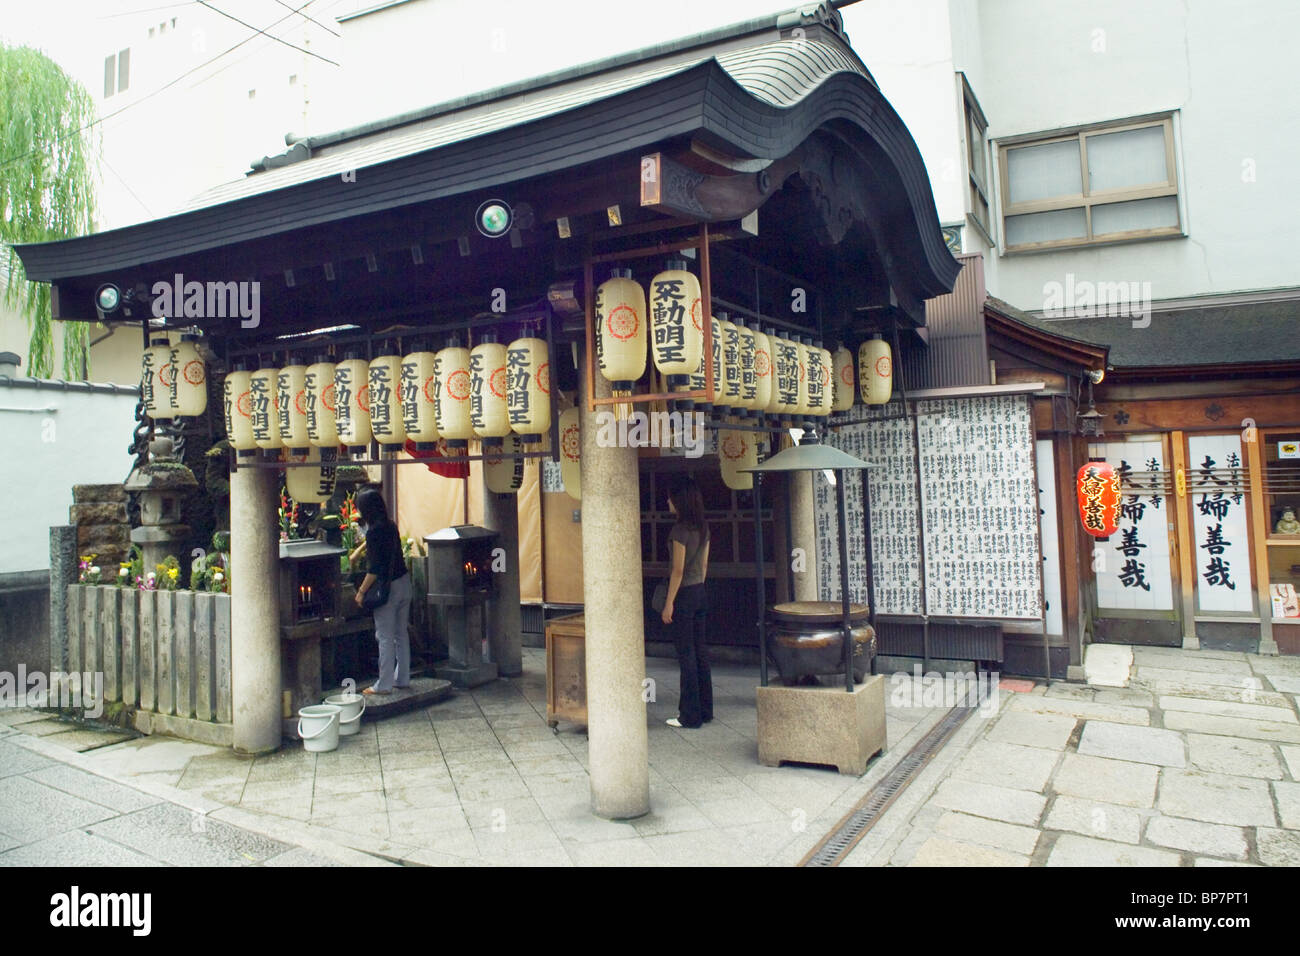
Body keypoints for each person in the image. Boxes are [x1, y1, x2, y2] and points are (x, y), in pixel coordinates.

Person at [661, 475, 712, 728]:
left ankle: (690, 715)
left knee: (686, 655)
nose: (667, 501)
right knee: (701, 652)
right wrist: (698, 588)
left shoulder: (679, 531)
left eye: (670, 497)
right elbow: (703, 565)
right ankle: (705, 710)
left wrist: (669, 602)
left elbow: (677, 571)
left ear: (679, 500)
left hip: (683, 595)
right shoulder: (703, 528)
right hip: (700, 591)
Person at [353, 486, 411, 695]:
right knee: (401, 634)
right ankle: (402, 678)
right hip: (405, 582)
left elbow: (374, 570)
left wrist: (361, 592)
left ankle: (384, 685)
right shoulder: (391, 526)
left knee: (384, 637)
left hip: (389, 589)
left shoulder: (374, 533)